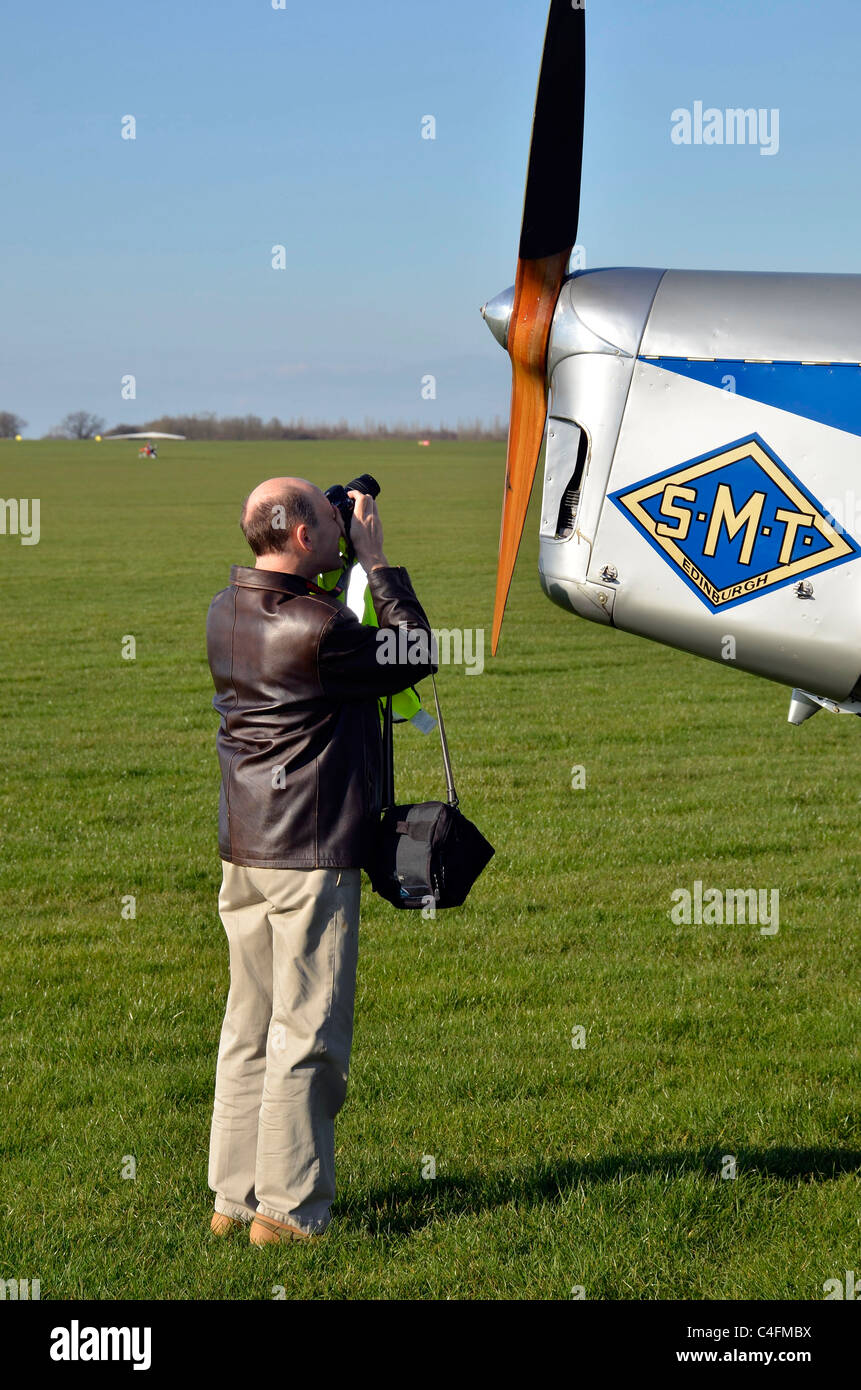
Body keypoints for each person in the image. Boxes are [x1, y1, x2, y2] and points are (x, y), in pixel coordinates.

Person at [204, 476, 437, 1244]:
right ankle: (289, 1212)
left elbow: (308, 614)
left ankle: (231, 1201)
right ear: (304, 536)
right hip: (308, 854)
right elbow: (412, 653)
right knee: (307, 1033)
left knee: (249, 1027)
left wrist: (336, 567)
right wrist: (375, 560)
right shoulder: (319, 628)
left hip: (248, 846)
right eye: (329, 524)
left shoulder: (227, 608)